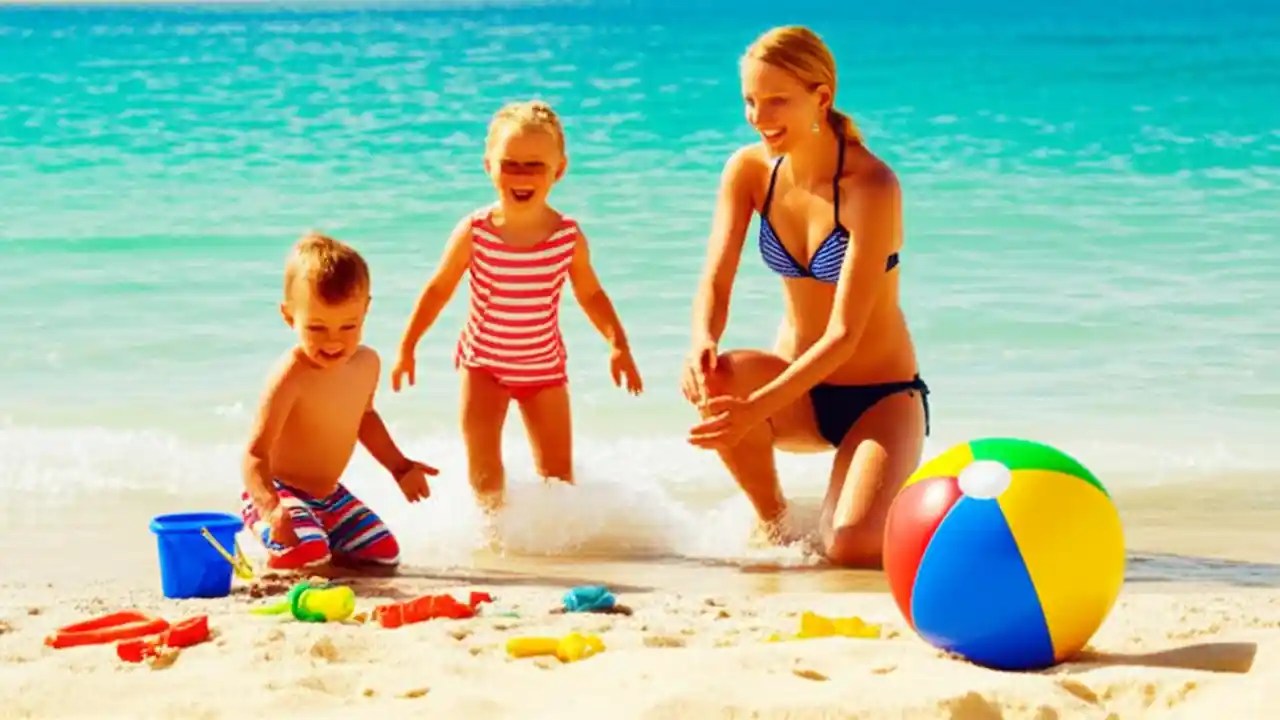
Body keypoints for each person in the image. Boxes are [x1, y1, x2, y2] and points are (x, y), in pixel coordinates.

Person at [683, 25, 930, 568]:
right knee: (717, 375)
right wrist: (702, 338)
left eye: (776, 100)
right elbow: (716, 278)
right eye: (750, 100)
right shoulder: (749, 170)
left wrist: (752, 411)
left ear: (822, 96)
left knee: (852, 548)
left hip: (880, 398)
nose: (758, 116)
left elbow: (844, 334)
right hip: (798, 392)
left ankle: (887, 503)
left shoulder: (872, 187)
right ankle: (775, 523)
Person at [392, 99, 643, 511]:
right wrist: (407, 347)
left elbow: (591, 294)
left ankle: (553, 549)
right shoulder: (475, 231)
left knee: (558, 477)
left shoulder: (567, 236)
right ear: (488, 165)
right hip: (484, 365)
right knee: (485, 473)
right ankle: (493, 547)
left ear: (558, 170)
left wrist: (619, 344)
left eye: (535, 166)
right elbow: (439, 288)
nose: (521, 176)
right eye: (509, 163)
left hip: (543, 368)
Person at [241, 232, 437, 571]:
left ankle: (319, 541)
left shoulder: (366, 363)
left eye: (349, 326)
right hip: (279, 493)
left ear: (366, 311)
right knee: (307, 554)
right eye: (317, 328)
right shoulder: (292, 374)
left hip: (330, 497)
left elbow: (364, 418)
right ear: (289, 317)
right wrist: (270, 508)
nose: (334, 342)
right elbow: (254, 454)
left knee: (383, 555)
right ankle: (288, 549)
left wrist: (400, 467)